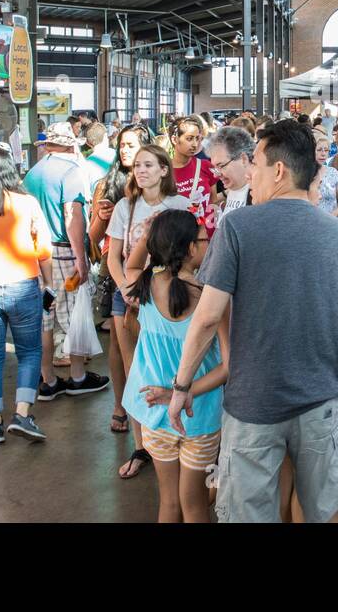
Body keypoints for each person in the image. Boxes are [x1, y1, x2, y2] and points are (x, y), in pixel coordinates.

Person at [167, 120, 338, 523]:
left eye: (254, 162)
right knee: (322, 509)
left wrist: (182, 385)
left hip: (254, 403)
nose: (248, 172)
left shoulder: (238, 227)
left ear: (279, 170)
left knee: (249, 512)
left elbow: (207, 318)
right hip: (319, 398)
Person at [123, 210, 228, 522]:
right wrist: (182, 392)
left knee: (169, 504)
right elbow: (228, 366)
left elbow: (129, 264)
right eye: (204, 239)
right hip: (201, 414)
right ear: (191, 249)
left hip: (153, 412)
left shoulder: (143, 287)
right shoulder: (211, 298)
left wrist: (146, 235)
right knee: (195, 505)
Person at [107, 143, 191, 479]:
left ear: (164, 170)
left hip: (169, 296)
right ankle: (143, 447)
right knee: (136, 369)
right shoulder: (125, 207)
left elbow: (190, 253)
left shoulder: (180, 206)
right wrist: (126, 288)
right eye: (137, 166)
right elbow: (114, 256)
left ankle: (175, 435)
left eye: (148, 165)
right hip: (129, 295)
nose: (140, 171)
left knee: (173, 366)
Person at [0, 143, 53, 444]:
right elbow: (43, 250)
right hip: (24, 286)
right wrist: (49, 285)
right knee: (29, 352)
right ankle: (23, 413)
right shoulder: (26, 203)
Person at [23, 122, 109, 402]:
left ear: (47, 145)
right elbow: (73, 216)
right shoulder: (71, 172)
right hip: (64, 255)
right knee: (73, 315)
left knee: (45, 317)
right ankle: (77, 376)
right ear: (72, 145)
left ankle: (47, 379)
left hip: (37, 256)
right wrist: (81, 258)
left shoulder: (33, 173)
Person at [87, 123, 152, 434]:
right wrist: (103, 218)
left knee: (146, 342)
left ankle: (146, 410)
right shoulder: (107, 184)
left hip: (152, 273)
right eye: (122, 145)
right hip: (117, 271)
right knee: (118, 341)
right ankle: (120, 405)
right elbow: (93, 240)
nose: (126, 150)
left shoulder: (157, 186)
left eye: (132, 144)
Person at [169, 116, 219, 228]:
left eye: (198, 138)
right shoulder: (164, 172)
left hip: (206, 233)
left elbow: (213, 201)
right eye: (189, 139)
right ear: (174, 139)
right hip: (177, 232)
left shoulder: (207, 166)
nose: (195, 144)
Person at [210, 125, 255, 218]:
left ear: (243, 159)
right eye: (215, 168)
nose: (216, 175)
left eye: (221, 166)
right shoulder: (235, 187)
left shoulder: (258, 196)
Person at [311, 128, 338, 217]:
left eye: (326, 150)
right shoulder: (303, 173)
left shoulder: (333, 172)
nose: (323, 154)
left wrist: (334, 214)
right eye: (319, 150)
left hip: (331, 222)